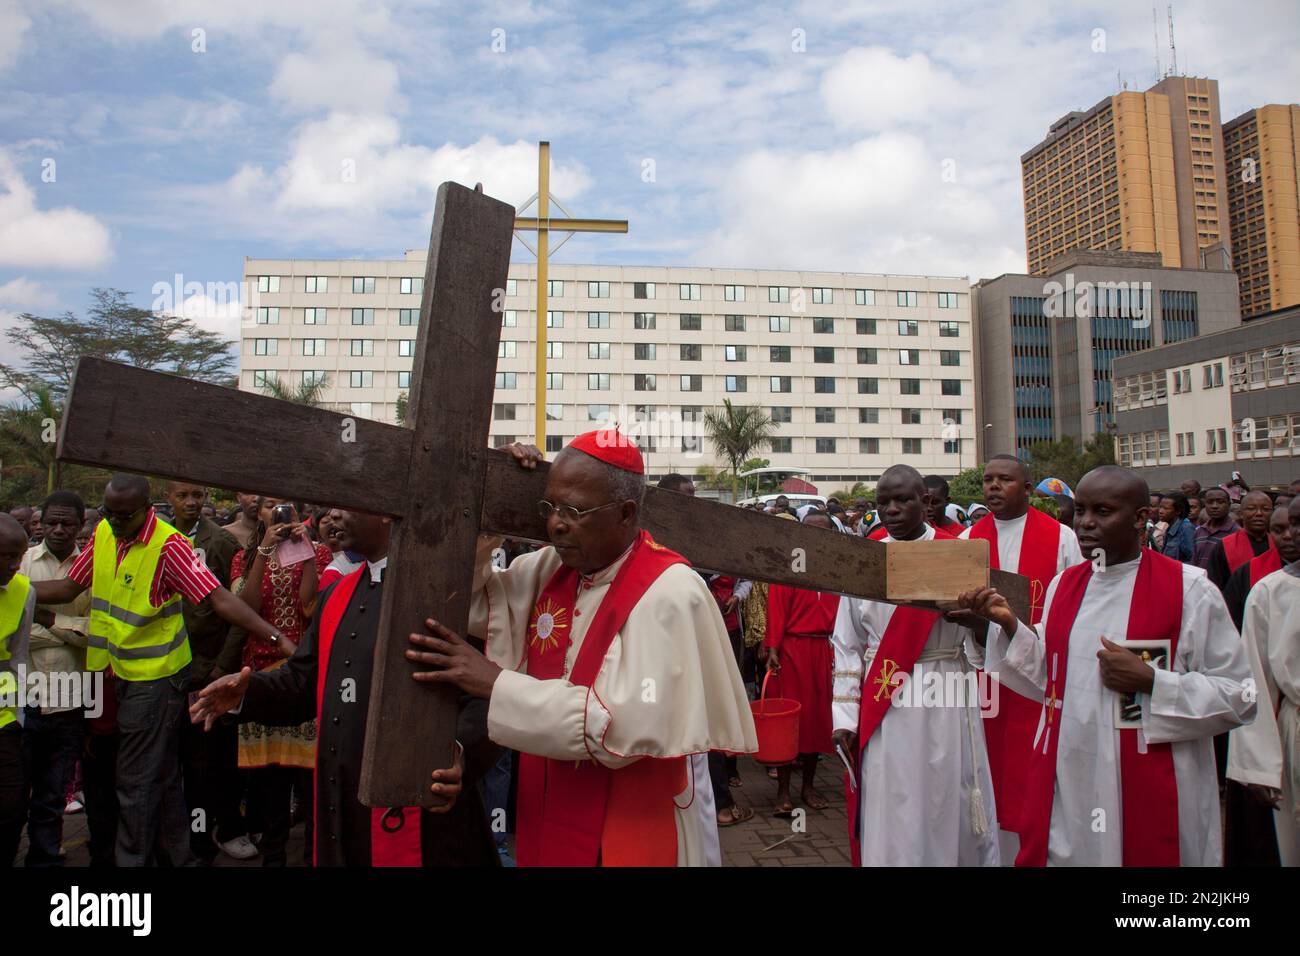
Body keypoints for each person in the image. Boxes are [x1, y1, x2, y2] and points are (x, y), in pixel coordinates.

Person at [408, 431, 757, 866]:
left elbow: (624, 725)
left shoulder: (670, 591)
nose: (555, 523)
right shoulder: (551, 567)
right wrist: (492, 500)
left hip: (636, 808)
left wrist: (497, 684)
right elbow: (472, 603)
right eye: (549, 506)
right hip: (550, 794)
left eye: (574, 510)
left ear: (626, 513)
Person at [960, 466, 1255, 865]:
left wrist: (1154, 681)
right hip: (1072, 773)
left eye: (1102, 511)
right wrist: (1008, 626)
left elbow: (1240, 694)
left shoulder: (1190, 590)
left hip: (1150, 781)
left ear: (1139, 519)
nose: (1085, 524)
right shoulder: (1066, 585)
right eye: (1080, 510)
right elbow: (1052, 674)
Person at [191, 508, 500, 865]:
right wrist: (246, 693)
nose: (334, 513)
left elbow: (490, 693)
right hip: (342, 798)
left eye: (349, 504)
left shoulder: (443, 593)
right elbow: (302, 681)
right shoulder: (336, 594)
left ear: (389, 514)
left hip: (422, 813)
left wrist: (459, 750)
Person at [31, 473, 291, 867]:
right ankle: (181, 858)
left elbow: (220, 599)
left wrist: (277, 639)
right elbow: (69, 588)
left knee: (134, 783)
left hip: (157, 681)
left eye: (124, 516)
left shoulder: (169, 545)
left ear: (146, 509)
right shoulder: (104, 533)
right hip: (119, 675)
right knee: (163, 778)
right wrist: (14, 588)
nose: (115, 522)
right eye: (109, 513)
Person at [831, 465, 997, 866]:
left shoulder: (958, 553)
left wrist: (971, 622)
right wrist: (845, 716)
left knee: (944, 793)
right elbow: (847, 643)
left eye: (902, 500)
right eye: (883, 502)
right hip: (885, 695)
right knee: (892, 797)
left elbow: (985, 637)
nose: (891, 510)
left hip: (945, 689)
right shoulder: (865, 558)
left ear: (925, 501)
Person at [959, 454, 1082, 857]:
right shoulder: (967, 542)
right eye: (988, 480)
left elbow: (1074, 602)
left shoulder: (1061, 537)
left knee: (1034, 772)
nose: (993, 486)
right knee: (990, 771)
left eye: (1005, 480)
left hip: (1040, 676)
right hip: (987, 678)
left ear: (1028, 489)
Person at [229, 497, 330, 866]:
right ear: (262, 513)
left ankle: (312, 858)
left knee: (309, 781)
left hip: (304, 677)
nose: (279, 513)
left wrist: (302, 552)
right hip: (260, 676)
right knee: (269, 786)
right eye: (271, 506)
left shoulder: (318, 555)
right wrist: (265, 551)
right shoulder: (245, 557)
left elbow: (309, 607)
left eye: (285, 506)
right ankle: (273, 858)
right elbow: (247, 608)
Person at [164, 481, 252, 863]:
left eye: (197, 495)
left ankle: (217, 834)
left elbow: (239, 611)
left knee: (212, 761)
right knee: (171, 761)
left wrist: (223, 664)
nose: (191, 502)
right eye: (182, 495)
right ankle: (177, 837)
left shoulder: (222, 543)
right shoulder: (156, 541)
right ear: (169, 498)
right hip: (162, 670)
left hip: (208, 670)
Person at [655, 474, 740, 857]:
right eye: (686, 495)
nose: (694, 500)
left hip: (695, 653)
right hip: (657, 669)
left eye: (694, 493)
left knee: (701, 743)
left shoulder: (704, 536)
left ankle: (719, 806)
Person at [1220, 503, 1296, 866]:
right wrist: (1258, 764)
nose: (1291, 535)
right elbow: (1254, 678)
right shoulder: (1269, 592)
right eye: (1287, 526)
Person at [19, 492, 90, 866]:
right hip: (21, 697)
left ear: (81, 526)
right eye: (52, 523)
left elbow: (97, 634)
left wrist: (43, 618)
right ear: (40, 524)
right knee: (13, 792)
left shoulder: (94, 568)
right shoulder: (21, 563)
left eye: (67, 523)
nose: (59, 530)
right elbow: (13, 631)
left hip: (71, 698)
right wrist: (67, 628)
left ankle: (44, 859)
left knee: (51, 795)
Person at [764, 511, 838, 816]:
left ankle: (808, 786)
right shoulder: (790, 564)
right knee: (790, 721)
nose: (815, 536)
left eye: (822, 530)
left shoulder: (836, 568)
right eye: (810, 530)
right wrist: (772, 648)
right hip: (792, 650)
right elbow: (777, 607)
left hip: (823, 649)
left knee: (817, 721)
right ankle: (783, 792)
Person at [0, 514, 34, 865]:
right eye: (7, 556)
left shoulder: (24, 591)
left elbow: (18, 658)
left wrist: (17, 716)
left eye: (19, 556)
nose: (14, 565)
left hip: (3, 719)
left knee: (11, 809)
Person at [1205, 491, 1278, 590]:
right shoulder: (1224, 545)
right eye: (1251, 509)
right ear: (1241, 513)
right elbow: (1214, 586)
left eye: (1265, 509)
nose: (1259, 513)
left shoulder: (1278, 544)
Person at [1193, 486, 1238, 568]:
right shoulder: (1199, 531)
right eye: (1210, 502)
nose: (1214, 506)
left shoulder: (1237, 533)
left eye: (1220, 502)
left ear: (1228, 504)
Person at [1155, 492, 1195, 563]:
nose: (1160, 511)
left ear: (1178, 511)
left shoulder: (1185, 528)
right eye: (1160, 507)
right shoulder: (1169, 528)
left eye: (1166, 508)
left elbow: (1193, 558)